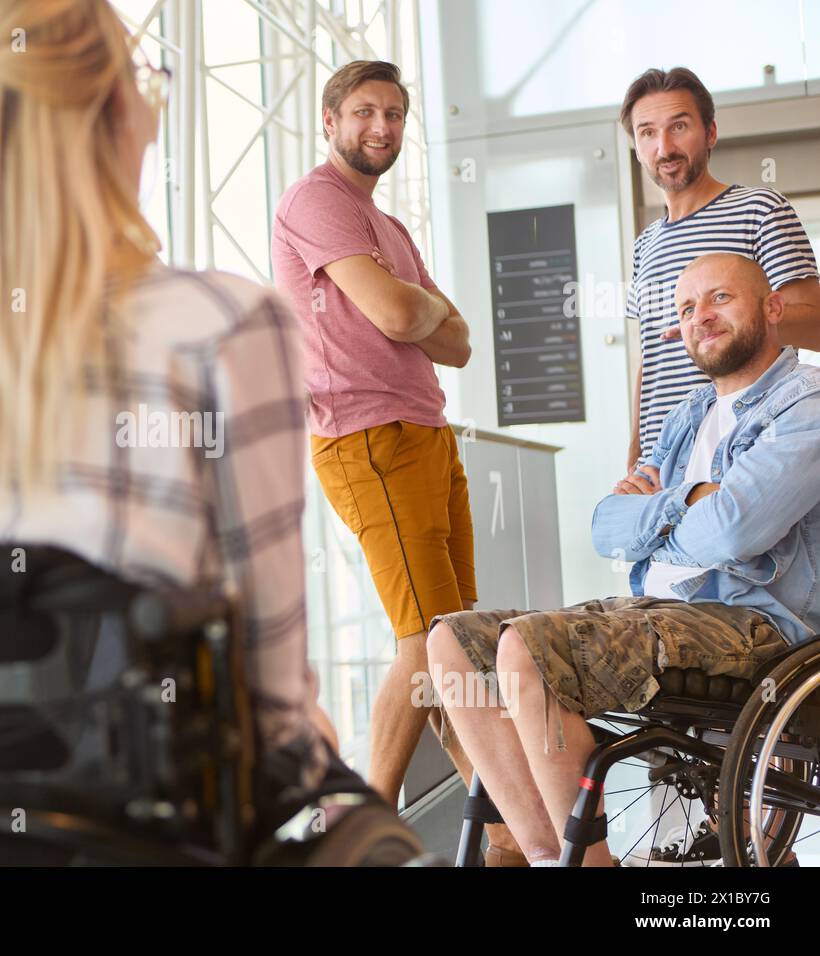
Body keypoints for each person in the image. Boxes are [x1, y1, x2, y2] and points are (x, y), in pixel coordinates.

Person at [0, 0, 363, 825]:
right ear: (114, 107)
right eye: (146, 82)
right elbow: (270, 705)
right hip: (144, 831)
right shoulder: (219, 328)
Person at [427, 253, 820, 866]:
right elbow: (605, 527)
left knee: (524, 650)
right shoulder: (690, 414)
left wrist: (655, 517)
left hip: (756, 626)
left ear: (772, 308)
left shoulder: (807, 404)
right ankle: (545, 856)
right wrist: (690, 500)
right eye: (687, 308)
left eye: (720, 298)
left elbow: (735, 531)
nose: (701, 318)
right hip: (655, 609)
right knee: (451, 643)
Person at [269, 60, 524, 865]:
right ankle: (361, 833)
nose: (382, 127)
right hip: (367, 437)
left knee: (455, 646)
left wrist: (419, 311)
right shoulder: (317, 201)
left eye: (395, 115)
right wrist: (413, 307)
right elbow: (396, 309)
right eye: (365, 112)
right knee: (428, 644)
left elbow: (458, 340)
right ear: (330, 120)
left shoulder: (390, 227)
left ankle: (506, 830)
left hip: (427, 434)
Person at [620, 66, 820, 471]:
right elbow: (652, 355)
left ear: (710, 133)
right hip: (664, 457)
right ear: (636, 147)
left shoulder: (761, 210)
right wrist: (636, 451)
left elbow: (816, 322)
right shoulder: (645, 244)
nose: (664, 147)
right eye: (647, 133)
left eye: (679, 127)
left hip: (743, 442)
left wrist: (730, 322)